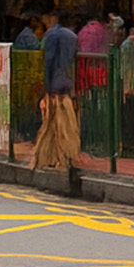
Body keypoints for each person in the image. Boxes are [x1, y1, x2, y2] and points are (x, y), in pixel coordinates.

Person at [34, 10, 80, 172]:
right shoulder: (73, 37)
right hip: (67, 84)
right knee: (67, 125)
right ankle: (65, 156)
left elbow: (49, 61)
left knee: (51, 124)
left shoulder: (51, 35)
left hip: (54, 84)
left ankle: (53, 157)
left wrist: (46, 88)